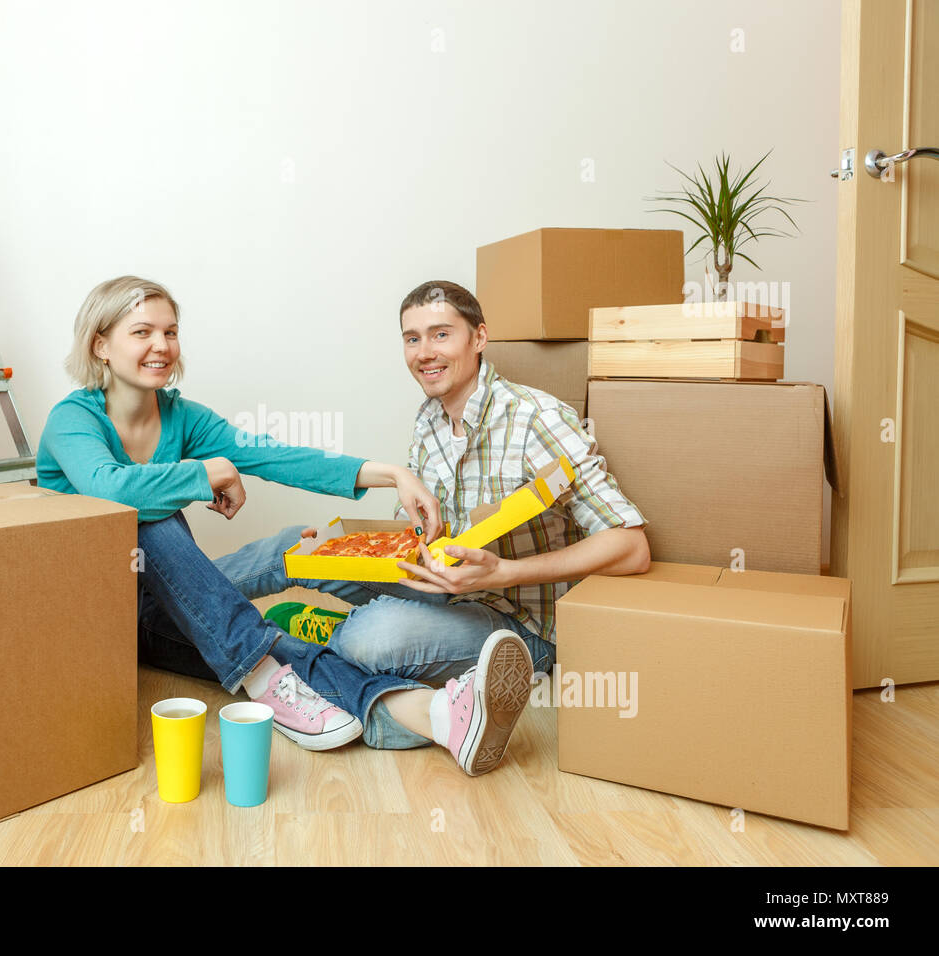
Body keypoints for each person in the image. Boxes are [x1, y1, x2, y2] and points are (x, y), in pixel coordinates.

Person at [35, 276, 536, 776]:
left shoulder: (179, 416)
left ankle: (430, 716)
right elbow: (110, 488)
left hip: (163, 604)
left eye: (171, 331)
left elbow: (274, 456)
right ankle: (271, 676)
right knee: (156, 524)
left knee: (281, 569)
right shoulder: (71, 420)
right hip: (97, 617)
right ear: (100, 345)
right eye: (142, 332)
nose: (162, 346)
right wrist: (204, 472)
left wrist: (390, 474)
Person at [215, 280, 651, 759]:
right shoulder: (429, 420)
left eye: (441, 334)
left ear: (479, 338)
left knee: (370, 635)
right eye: (412, 338)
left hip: (521, 625)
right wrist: (408, 535)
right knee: (298, 549)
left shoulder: (536, 419)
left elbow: (631, 546)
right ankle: (166, 603)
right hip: (442, 585)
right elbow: (421, 522)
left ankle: (308, 641)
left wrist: (504, 571)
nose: (424, 352)